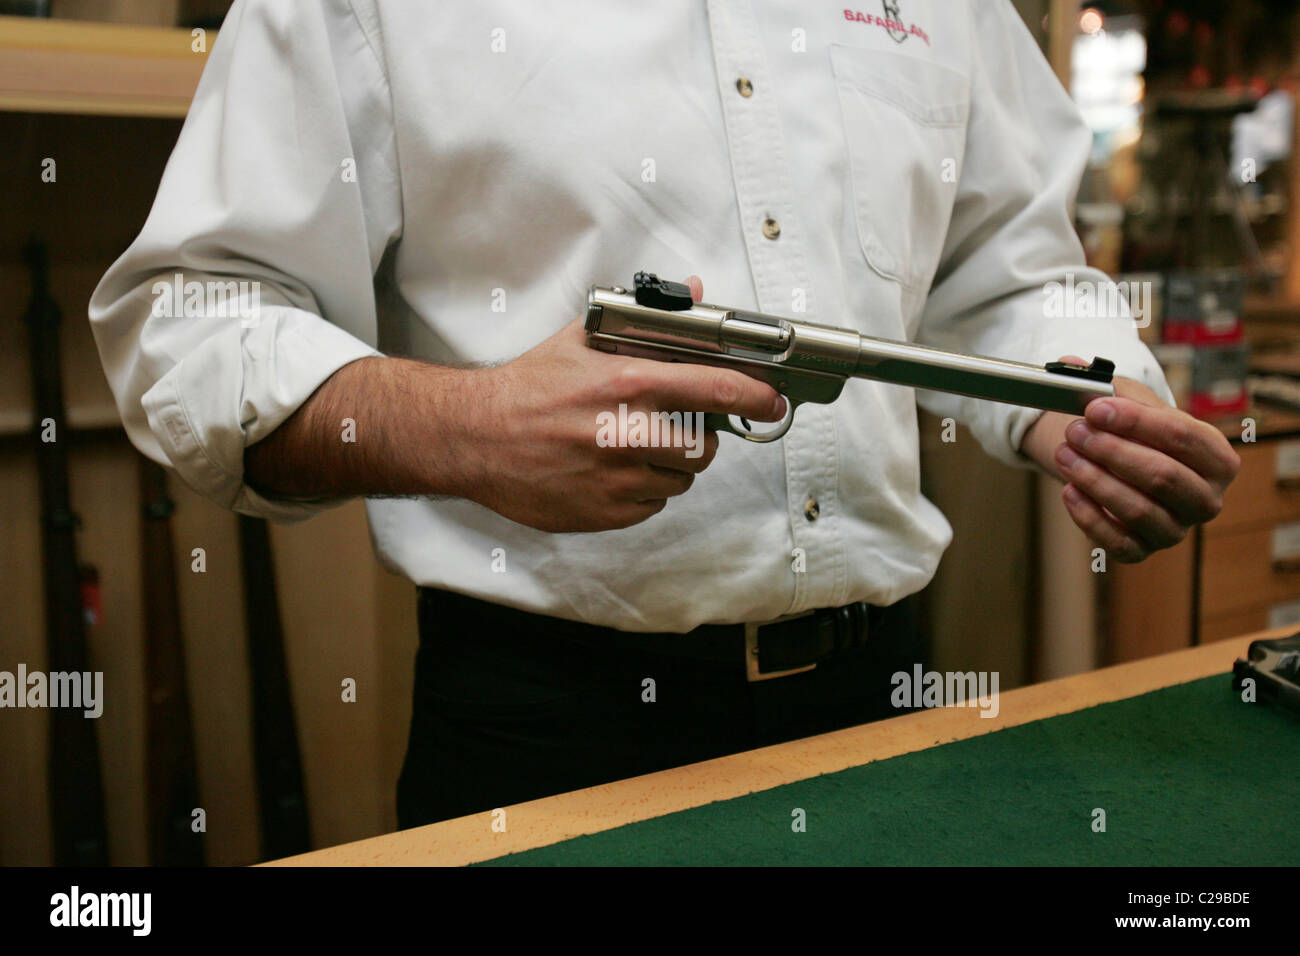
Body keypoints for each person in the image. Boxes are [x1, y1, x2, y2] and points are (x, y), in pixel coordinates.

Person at [90, 0, 1239, 828]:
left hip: (888, 707)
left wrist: (1087, 400)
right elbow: (191, 320)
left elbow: (1011, 270)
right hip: (547, 737)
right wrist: (469, 426)